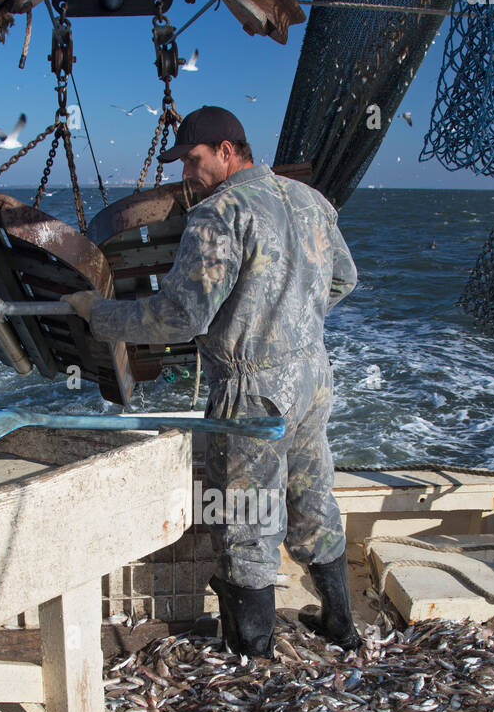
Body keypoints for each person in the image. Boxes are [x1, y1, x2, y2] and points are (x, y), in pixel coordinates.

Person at [69, 105, 360, 656]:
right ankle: (341, 626)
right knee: (313, 498)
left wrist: (98, 313)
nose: (186, 175)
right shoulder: (309, 200)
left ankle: (253, 654)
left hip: (252, 390)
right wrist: (287, 314)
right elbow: (343, 277)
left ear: (228, 150)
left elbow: (180, 318)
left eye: (194, 160)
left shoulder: (219, 214)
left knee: (248, 521)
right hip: (313, 377)